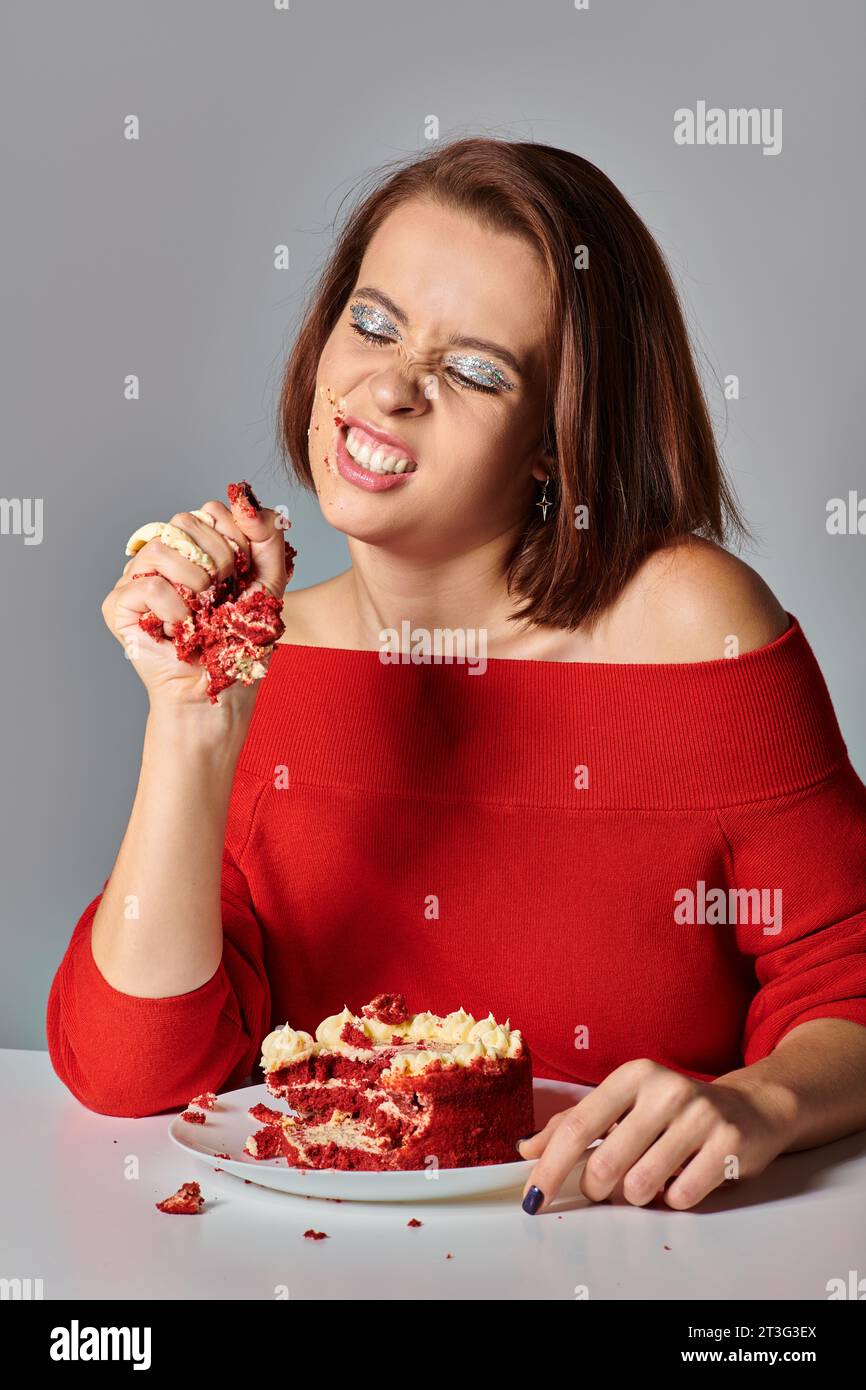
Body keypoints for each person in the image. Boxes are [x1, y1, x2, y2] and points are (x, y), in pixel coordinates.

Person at [47, 137, 866, 1215]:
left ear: (552, 443)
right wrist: (193, 720)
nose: (388, 387)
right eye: (372, 323)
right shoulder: (262, 662)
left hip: (640, 1260)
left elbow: (844, 968)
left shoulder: (689, 626)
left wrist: (760, 1103)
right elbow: (129, 1068)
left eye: (476, 369)